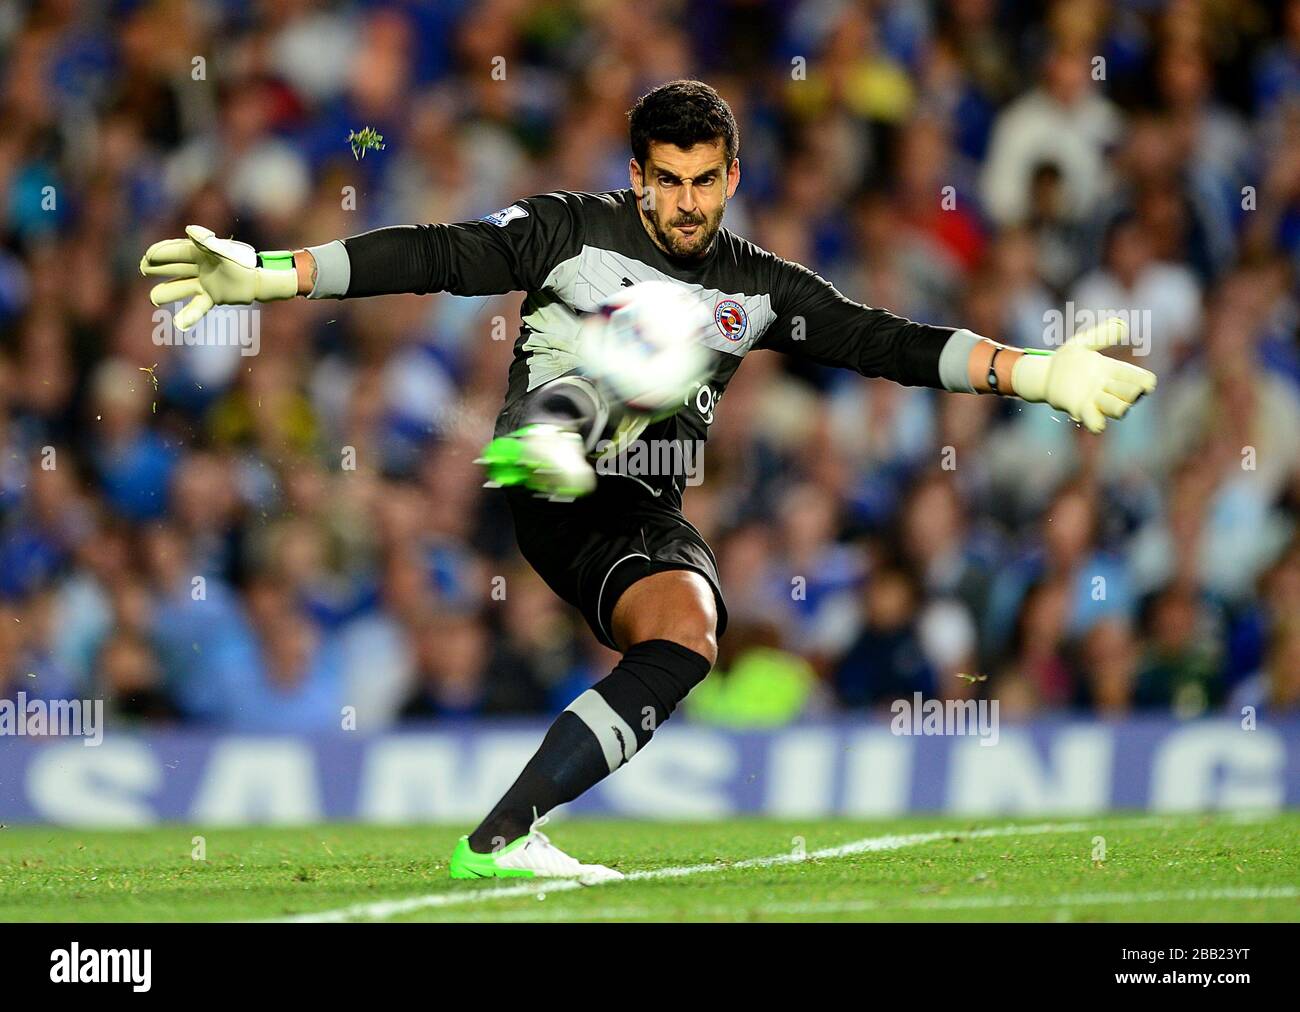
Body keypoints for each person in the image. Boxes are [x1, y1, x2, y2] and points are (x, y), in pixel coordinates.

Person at [139, 80, 1156, 882]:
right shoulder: (567, 226)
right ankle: (569, 418)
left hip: (632, 506)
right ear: (636, 176)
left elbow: (887, 340)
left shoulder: (760, 286)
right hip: (548, 467)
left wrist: (1035, 372)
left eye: (703, 180)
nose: (684, 201)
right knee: (641, 364)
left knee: (688, 633)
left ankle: (500, 838)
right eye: (665, 180)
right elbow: (435, 253)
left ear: (731, 177)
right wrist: (271, 274)